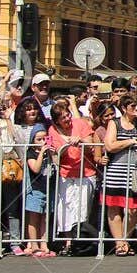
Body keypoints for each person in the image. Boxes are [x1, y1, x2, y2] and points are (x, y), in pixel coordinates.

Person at [101, 94, 137, 256]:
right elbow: (110, 145)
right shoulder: (114, 123)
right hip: (116, 170)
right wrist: (129, 142)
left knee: (132, 209)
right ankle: (119, 243)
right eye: (132, 107)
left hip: (135, 173)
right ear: (124, 108)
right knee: (114, 208)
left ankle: (125, 240)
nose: (136, 109)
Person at [48, 98, 97, 252]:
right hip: (66, 172)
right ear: (57, 121)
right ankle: (68, 241)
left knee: (82, 208)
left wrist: (80, 140)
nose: (67, 119)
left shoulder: (81, 123)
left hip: (85, 172)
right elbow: (56, 154)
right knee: (66, 207)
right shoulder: (53, 130)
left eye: (68, 114)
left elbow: (92, 146)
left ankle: (80, 241)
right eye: (63, 117)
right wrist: (65, 145)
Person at [11, 95, 52, 256]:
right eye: (28, 109)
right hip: (28, 171)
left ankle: (42, 243)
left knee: (43, 214)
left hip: (45, 177)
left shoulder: (43, 126)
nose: (32, 111)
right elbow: (18, 144)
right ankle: (30, 242)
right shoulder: (18, 128)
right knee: (30, 211)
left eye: (34, 108)